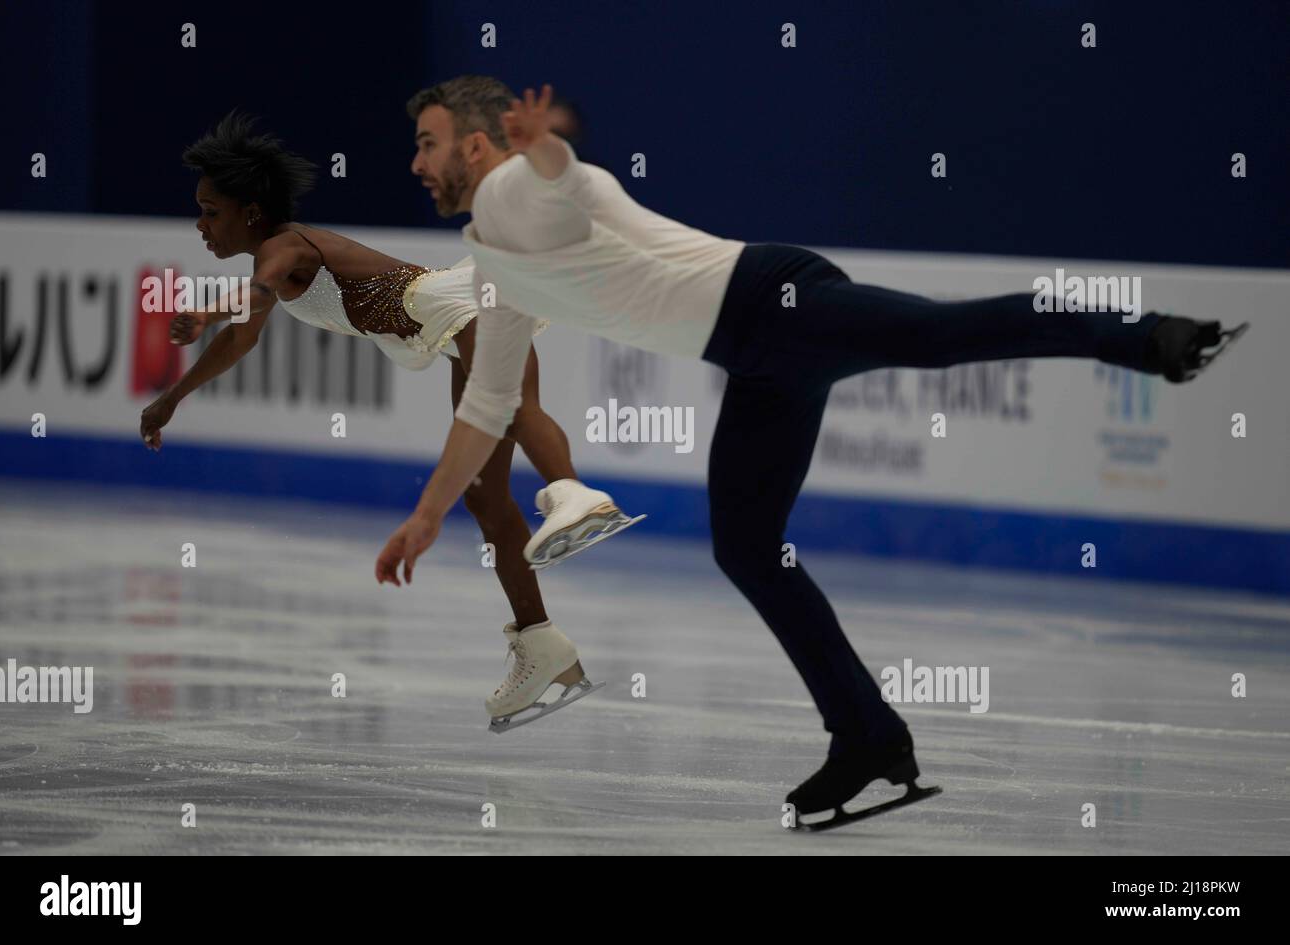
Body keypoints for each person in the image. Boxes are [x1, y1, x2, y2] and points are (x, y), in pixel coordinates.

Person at [378, 76, 1246, 827]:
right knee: (747, 545)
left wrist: (548, 154)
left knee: (944, 336)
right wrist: (427, 515)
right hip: (753, 352)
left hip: (775, 301)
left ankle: (1146, 337)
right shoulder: (493, 259)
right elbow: (489, 402)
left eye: (427, 143)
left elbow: (568, 191)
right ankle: (868, 734)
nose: (416, 163)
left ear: (480, 143)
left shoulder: (506, 194)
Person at [139, 112, 639, 731]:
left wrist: (210, 313)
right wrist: (175, 396)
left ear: (250, 212)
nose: (201, 223)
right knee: (484, 497)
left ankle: (573, 494)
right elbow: (243, 340)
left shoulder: (283, 246)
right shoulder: (278, 251)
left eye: (211, 210)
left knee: (512, 406)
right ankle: (542, 646)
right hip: (452, 326)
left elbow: (257, 299)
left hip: (462, 302)